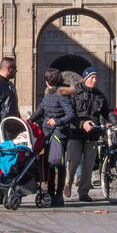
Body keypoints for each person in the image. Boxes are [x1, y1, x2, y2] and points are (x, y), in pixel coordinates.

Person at [27, 68, 75, 206]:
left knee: (57, 164)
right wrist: (28, 121)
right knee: (48, 164)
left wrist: (58, 121)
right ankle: (50, 191)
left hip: (59, 134)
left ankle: (58, 195)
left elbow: (70, 114)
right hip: (47, 134)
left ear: (47, 82)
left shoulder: (61, 95)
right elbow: (40, 111)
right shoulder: (48, 95)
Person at [70, 66, 110, 202]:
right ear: (85, 78)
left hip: (92, 134)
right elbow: (70, 113)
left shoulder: (99, 95)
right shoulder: (74, 93)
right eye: (92, 77)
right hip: (75, 133)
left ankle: (83, 192)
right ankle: (68, 183)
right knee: (74, 160)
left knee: (89, 164)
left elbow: (107, 111)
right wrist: (81, 124)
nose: (94, 80)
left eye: (96, 78)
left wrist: (114, 122)